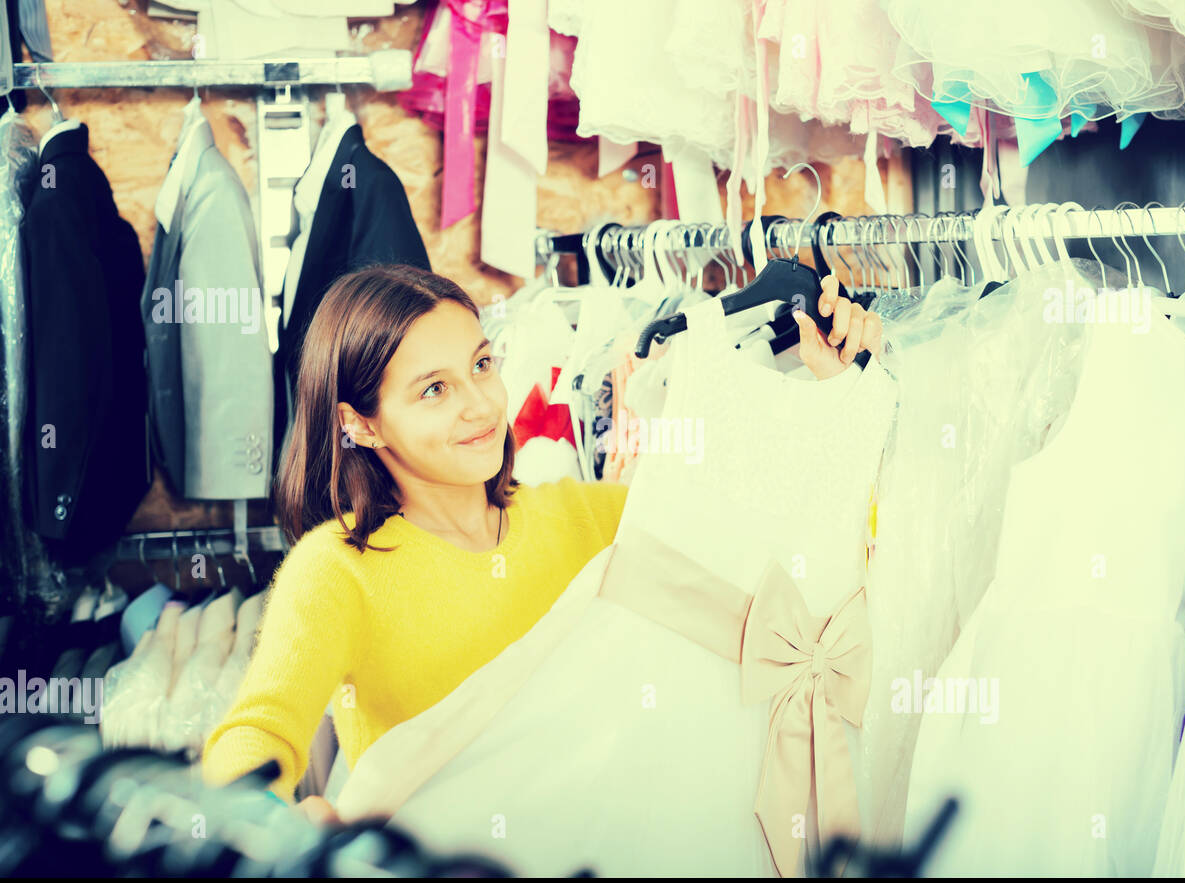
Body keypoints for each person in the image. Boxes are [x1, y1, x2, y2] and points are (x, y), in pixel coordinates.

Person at [200, 263, 879, 824]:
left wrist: (831, 389)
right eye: (434, 389)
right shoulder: (337, 571)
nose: (481, 404)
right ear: (362, 426)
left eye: (482, 364)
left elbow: (753, 537)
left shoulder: (583, 513)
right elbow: (255, 733)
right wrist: (273, 821)